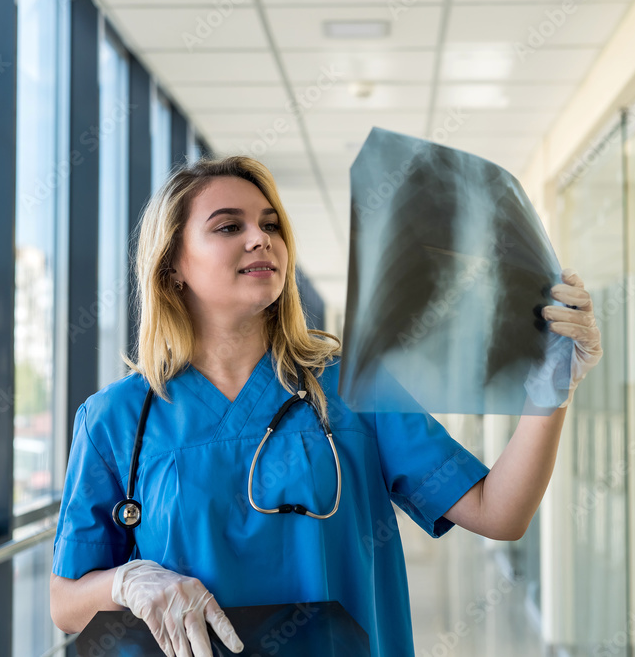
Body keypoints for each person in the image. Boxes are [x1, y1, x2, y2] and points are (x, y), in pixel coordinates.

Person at [48, 156, 602, 657]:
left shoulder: (353, 386)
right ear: (173, 266)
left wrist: (548, 391)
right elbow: (66, 601)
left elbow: (499, 512)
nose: (260, 239)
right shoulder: (117, 418)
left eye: (270, 225)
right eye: (228, 226)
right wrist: (127, 582)